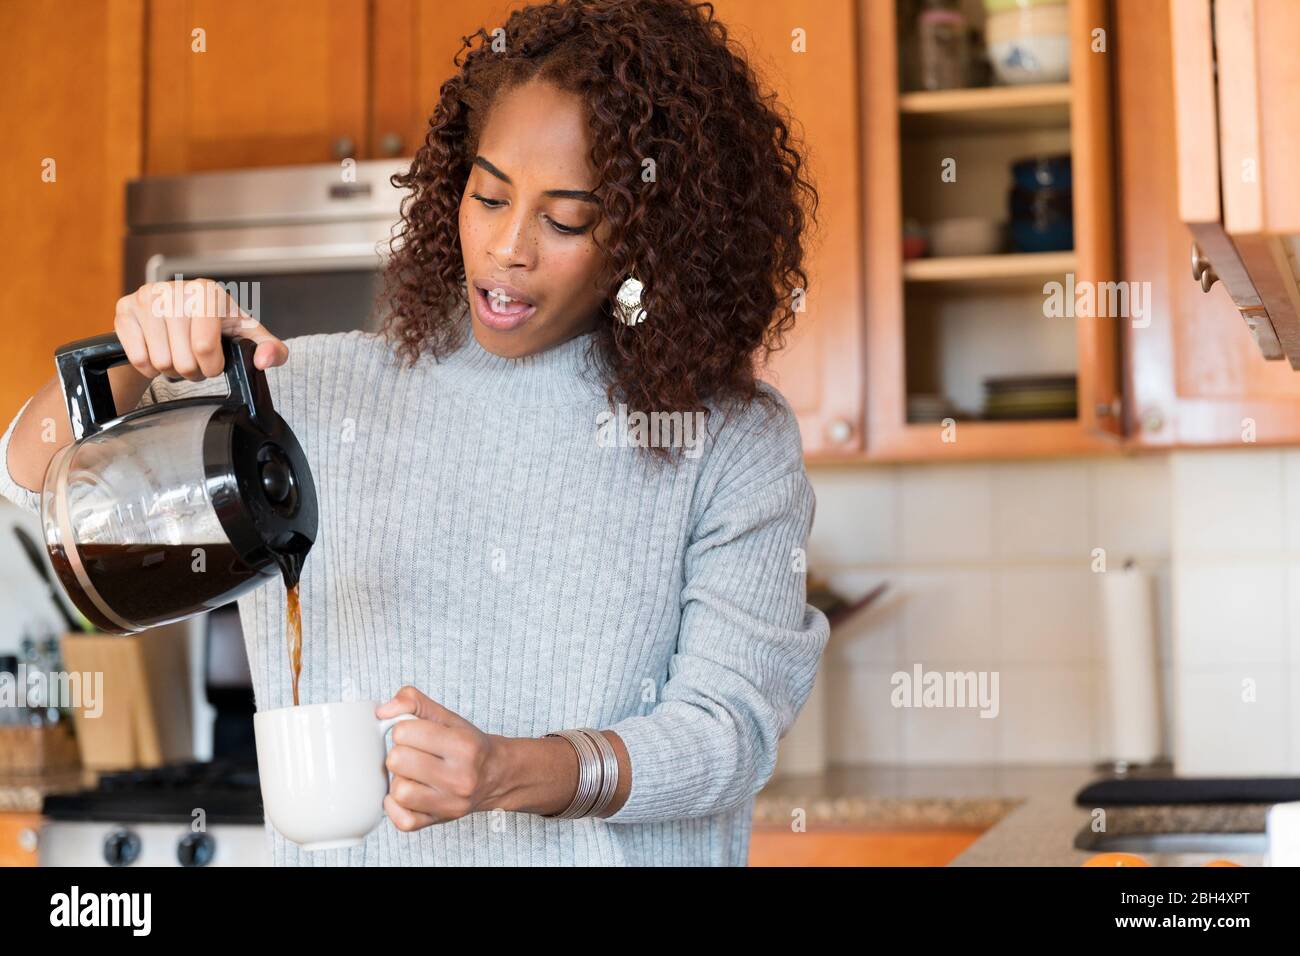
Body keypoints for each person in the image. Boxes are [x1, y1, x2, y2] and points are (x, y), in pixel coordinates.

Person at [0, 0, 829, 866]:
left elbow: (726, 734)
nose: (509, 246)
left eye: (566, 219)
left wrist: (516, 770)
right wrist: (135, 355)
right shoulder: (301, 391)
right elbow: (32, 478)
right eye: (490, 195)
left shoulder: (730, 441)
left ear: (650, 235)